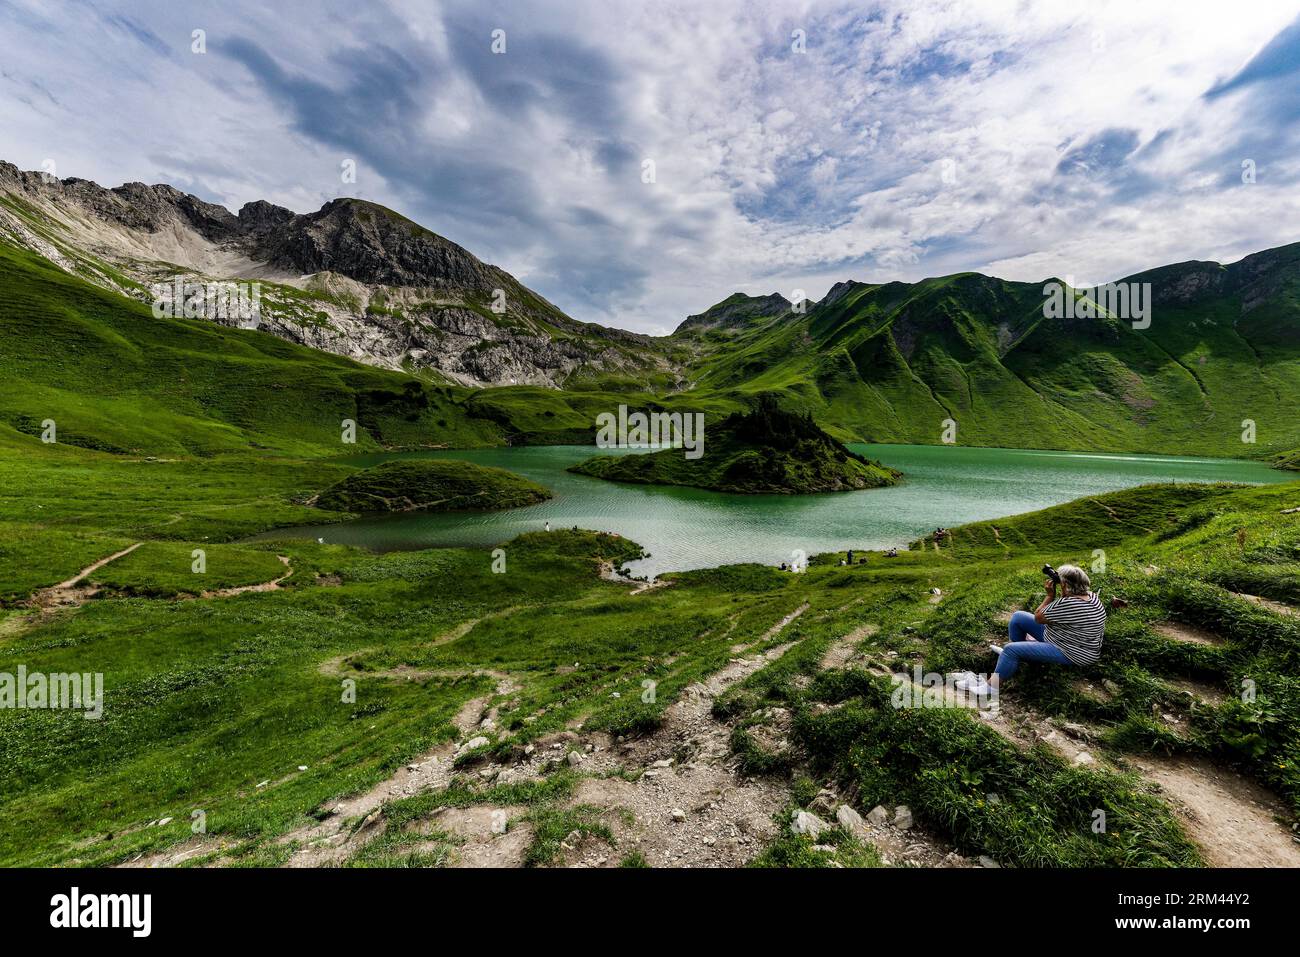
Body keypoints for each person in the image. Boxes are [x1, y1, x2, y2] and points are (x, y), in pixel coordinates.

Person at [957, 564, 1106, 698]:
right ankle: (1014, 659)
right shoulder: (1091, 597)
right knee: (1018, 617)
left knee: (1010, 649)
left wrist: (1049, 596)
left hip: (1072, 652)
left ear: (1065, 585)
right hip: (1070, 641)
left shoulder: (1069, 604)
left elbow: (1038, 618)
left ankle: (992, 687)